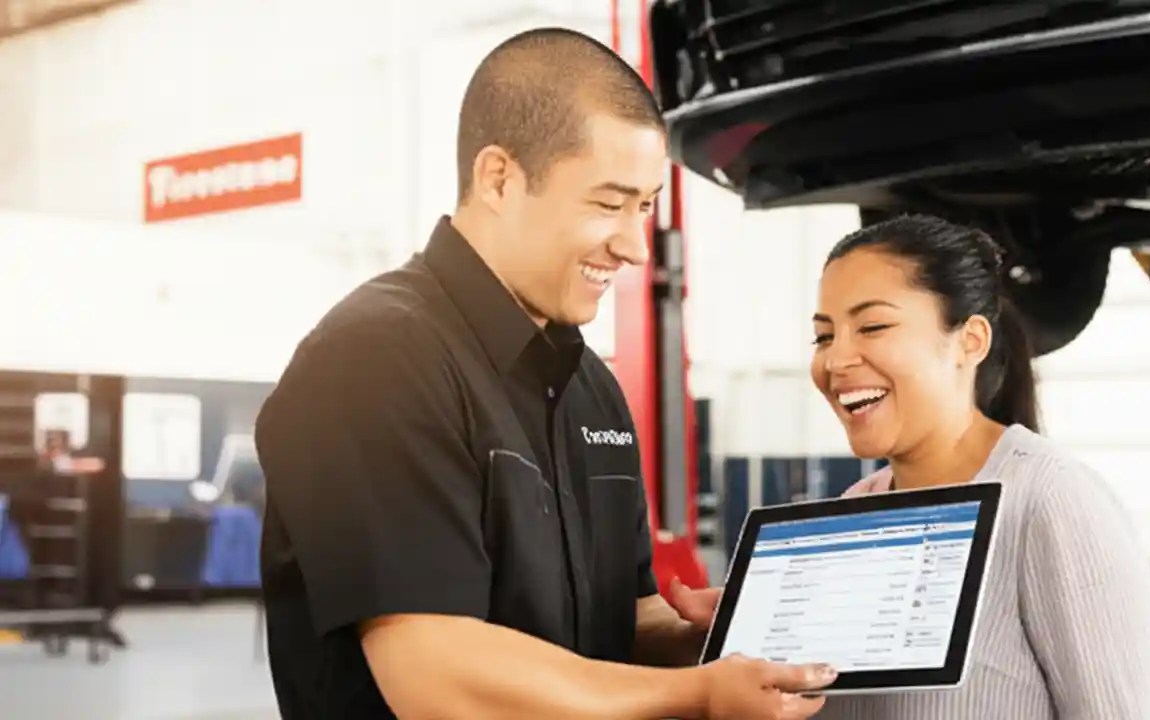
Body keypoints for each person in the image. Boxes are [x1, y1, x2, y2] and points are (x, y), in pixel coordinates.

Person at [254, 26, 834, 720]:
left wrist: (704, 641)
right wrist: (700, 695)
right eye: (607, 203)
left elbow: (619, 619)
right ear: (498, 177)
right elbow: (437, 674)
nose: (632, 245)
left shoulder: (591, 386)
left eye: (644, 206)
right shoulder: (376, 359)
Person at [807, 214, 1150, 718]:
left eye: (873, 326)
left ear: (970, 341)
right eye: (823, 337)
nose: (836, 360)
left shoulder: (1050, 501)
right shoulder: (856, 511)